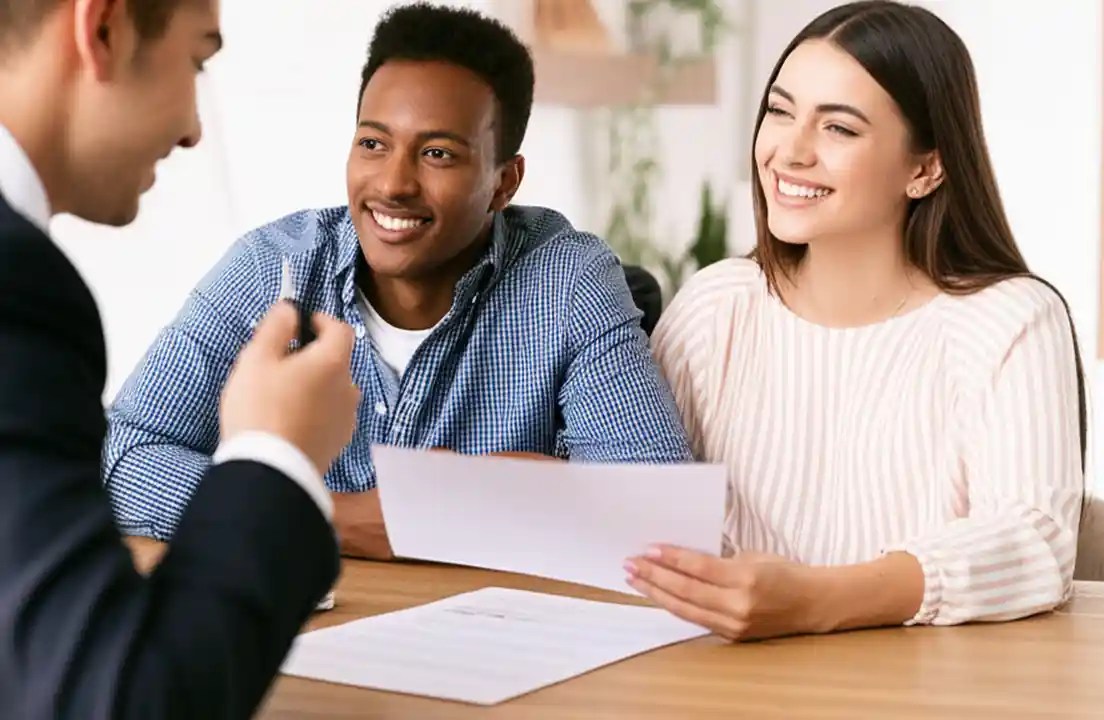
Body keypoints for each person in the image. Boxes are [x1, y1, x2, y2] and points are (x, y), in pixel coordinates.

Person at [102, 2, 691, 561]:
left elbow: (656, 510)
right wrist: (333, 515)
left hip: (497, 642)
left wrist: (481, 500)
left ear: (504, 184)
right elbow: (123, 458)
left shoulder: (567, 281)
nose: (392, 184)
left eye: (437, 154)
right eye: (373, 144)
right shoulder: (271, 270)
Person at [626, 0, 1087, 641]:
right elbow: (641, 501)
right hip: (725, 684)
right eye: (780, 112)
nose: (790, 151)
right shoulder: (717, 304)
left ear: (925, 168)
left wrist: (818, 600)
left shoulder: (1009, 320)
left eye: (838, 129)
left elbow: (1034, 544)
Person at [0, 0, 362, 717]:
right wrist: (276, 454)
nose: (195, 129)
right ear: (102, 29)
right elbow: (123, 698)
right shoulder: (17, 290)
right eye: (197, 60)